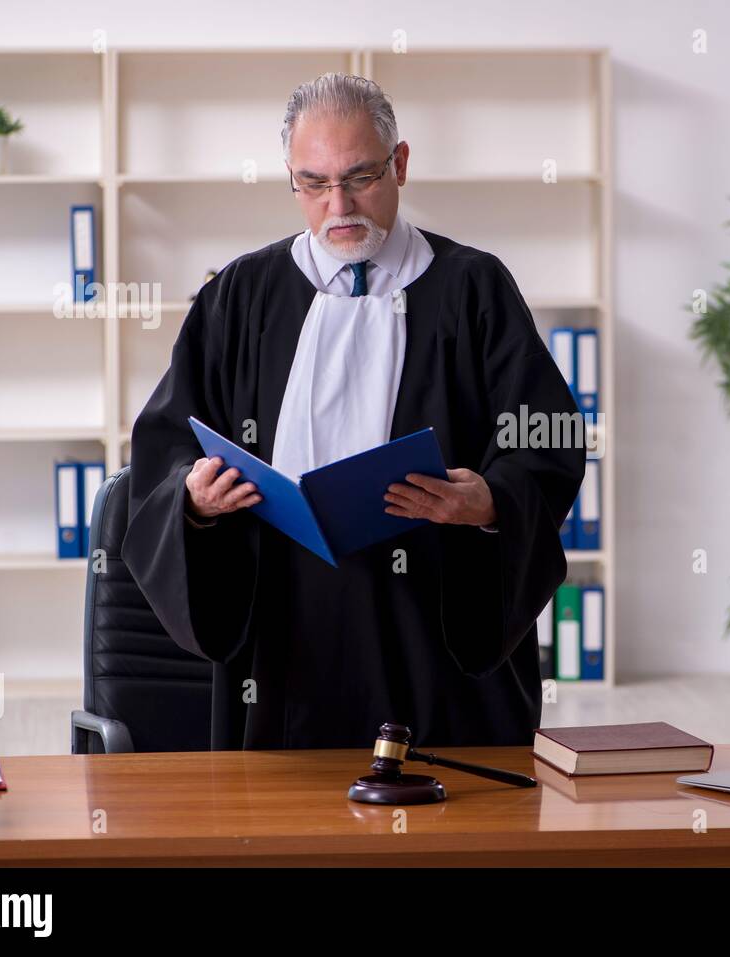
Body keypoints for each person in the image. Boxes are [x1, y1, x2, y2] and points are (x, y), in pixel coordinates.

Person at [122, 72, 585, 750]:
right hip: (283, 638)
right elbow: (166, 445)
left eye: (360, 177)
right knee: (287, 833)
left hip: (433, 632)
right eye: (312, 183)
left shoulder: (473, 287)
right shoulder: (240, 295)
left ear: (399, 163)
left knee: (452, 833)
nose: (338, 204)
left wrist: (489, 502)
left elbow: (546, 440)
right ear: (291, 178)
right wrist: (194, 499)